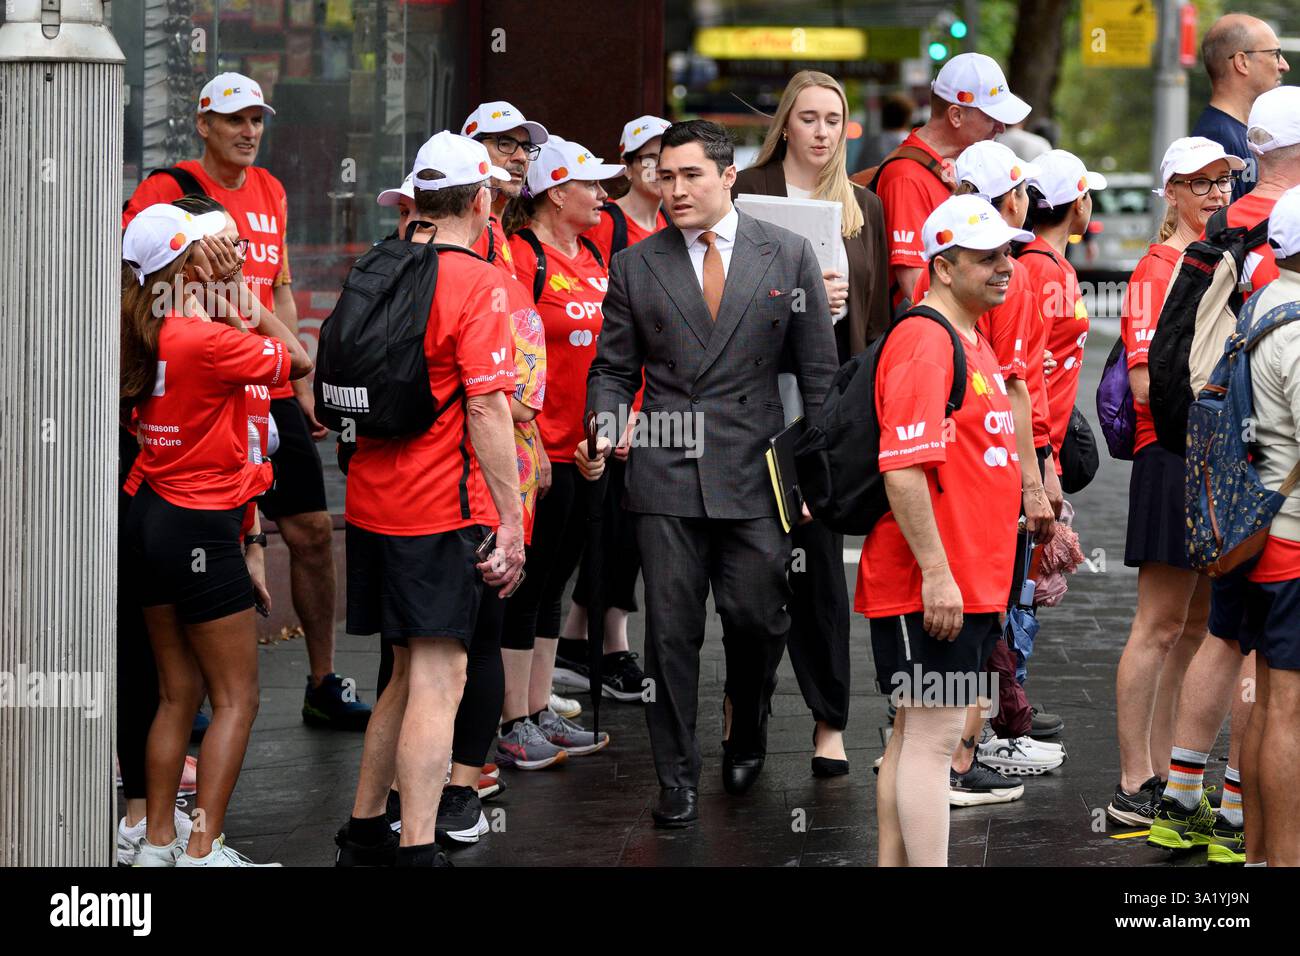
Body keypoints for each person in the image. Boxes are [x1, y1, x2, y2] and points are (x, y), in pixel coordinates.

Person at [577, 119, 838, 826]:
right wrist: (604, 427)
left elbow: (819, 376)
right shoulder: (637, 264)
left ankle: (747, 722)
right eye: (665, 176)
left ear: (728, 176)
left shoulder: (784, 255)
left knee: (758, 617)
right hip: (664, 475)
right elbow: (611, 368)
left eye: (691, 175)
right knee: (669, 636)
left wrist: (817, 482)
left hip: (756, 472)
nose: (675, 189)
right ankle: (677, 777)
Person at [122, 72, 370, 731]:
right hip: (200, 366)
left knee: (313, 530)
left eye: (258, 119)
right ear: (202, 124)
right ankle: (190, 688)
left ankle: (322, 680)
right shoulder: (166, 189)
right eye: (234, 119)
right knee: (200, 513)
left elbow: (281, 289)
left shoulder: (271, 191)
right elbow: (132, 276)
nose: (249, 131)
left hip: (263, 368)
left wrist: (302, 387)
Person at [332, 132, 524, 867]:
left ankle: (364, 831)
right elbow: (487, 409)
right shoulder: (478, 283)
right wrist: (510, 520)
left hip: (373, 505)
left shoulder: (377, 267)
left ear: (412, 202)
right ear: (483, 200)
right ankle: (416, 848)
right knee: (441, 681)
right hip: (442, 511)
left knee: (403, 672)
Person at [121, 203, 313, 866]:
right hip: (199, 524)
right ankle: (203, 848)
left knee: (177, 691)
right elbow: (297, 357)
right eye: (212, 250)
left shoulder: (143, 330)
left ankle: (155, 841)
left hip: (149, 517)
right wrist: (242, 296)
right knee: (238, 697)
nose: (229, 256)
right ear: (188, 264)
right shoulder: (205, 338)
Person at [1151, 87, 1300, 864]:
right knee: (1277, 686)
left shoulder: (1229, 234)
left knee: (1225, 638)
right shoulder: (1279, 237)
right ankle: (1259, 831)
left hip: (1224, 478)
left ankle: (1190, 795)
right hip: (1278, 504)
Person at [728, 70, 892, 775]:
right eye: (810, 118)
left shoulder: (864, 206)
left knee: (821, 569)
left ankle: (830, 721)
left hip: (827, 408)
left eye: (835, 119)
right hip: (751, 401)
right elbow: (715, 293)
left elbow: (878, 316)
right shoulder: (746, 192)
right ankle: (746, 716)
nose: (823, 131)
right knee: (749, 572)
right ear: (786, 125)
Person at [863, 195, 1029, 866]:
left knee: (911, 739)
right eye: (986, 257)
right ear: (941, 265)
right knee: (931, 745)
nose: (1004, 268)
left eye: (1007, 254)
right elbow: (902, 469)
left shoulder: (968, 337)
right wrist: (936, 574)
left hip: (967, 583)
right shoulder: (927, 340)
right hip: (932, 587)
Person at [911, 142, 1064, 785]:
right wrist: (1036, 479)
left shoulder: (948, 281)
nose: (1006, 264)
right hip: (985, 475)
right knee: (987, 615)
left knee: (979, 619)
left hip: (975, 471)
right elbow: (1018, 383)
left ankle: (952, 748)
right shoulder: (998, 281)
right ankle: (968, 750)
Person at [1109, 138, 1242, 832]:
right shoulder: (1156, 268)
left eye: (1224, 180)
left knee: (1196, 626)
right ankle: (1133, 778)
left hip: (1209, 461)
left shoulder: (1221, 258)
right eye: (1199, 183)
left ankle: (1169, 772)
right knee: (1159, 625)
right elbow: (1145, 383)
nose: (1215, 194)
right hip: (1171, 459)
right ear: (1171, 191)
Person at [492, 135, 621, 767]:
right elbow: (511, 356)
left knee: (556, 582)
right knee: (529, 581)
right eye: (591, 185)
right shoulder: (521, 256)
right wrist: (534, 442)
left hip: (586, 452)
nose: (603, 195)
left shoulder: (595, 252)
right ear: (555, 192)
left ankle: (538, 707)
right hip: (539, 452)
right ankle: (512, 719)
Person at [553, 115, 674, 703]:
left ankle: (584, 638)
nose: (660, 169)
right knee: (613, 525)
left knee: (633, 522)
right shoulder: (608, 224)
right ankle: (606, 643)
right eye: (647, 158)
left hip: (659, 398)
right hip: (611, 400)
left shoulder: (677, 224)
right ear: (626, 167)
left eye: (667, 157)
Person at [857, 52, 1031, 310]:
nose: (1001, 127)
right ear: (956, 115)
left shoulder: (948, 168)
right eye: (991, 117)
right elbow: (918, 288)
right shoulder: (906, 176)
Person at [1238, 184, 1300, 866]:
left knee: (1263, 698)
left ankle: (1258, 856)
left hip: (1256, 532)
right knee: (1288, 708)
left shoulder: (1263, 302)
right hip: (1292, 540)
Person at [1193, 14, 1290, 201]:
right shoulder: (1215, 141)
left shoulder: (1236, 133)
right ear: (1242, 62)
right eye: (1274, 54)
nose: (1284, 65)